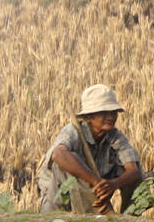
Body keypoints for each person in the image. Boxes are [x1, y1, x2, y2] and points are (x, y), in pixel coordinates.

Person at [36, 85, 143, 214]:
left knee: (136, 174)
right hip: (60, 198)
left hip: (94, 194)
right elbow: (58, 154)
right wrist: (96, 181)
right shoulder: (73, 131)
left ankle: (130, 218)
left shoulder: (115, 136)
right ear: (88, 117)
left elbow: (133, 170)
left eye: (113, 112)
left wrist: (113, 184)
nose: (110, 117)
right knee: (71, 161)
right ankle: (104, 213)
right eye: (104, 113)